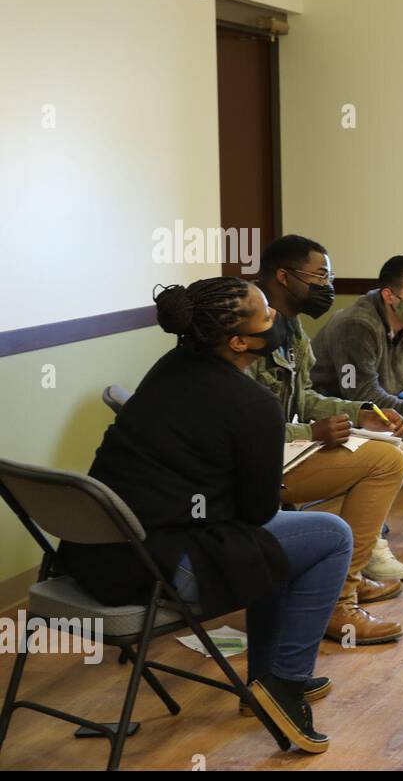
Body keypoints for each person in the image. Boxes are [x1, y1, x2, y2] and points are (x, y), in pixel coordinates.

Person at [54, 277, 351, 754]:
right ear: (239, 342)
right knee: (331, 536)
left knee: (279, 543)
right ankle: (284, 683)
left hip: (95, 556)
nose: (276, 317)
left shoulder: (169, 366)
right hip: (158, 572)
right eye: (267, 315)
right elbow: (258, 514)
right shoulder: (254, 404)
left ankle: (266, 677)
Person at [245, 234, 403, 645]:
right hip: (252, 469)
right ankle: (339, 601)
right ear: (283, 276)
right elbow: (243, 427)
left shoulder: (292, 328)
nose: (328, 285)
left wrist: (362, 414)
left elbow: (303, 398)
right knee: (387, 461)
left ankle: (340, 579)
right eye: (320, 275)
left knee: (392, 447)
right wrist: (312, 433)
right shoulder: (246, 332)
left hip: (282, 450)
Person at [310, 254, 403, 513]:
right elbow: (361, 394)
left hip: (382, 401)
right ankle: (376, 533)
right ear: (389, 296)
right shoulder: (356, 324)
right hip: (336, 407)